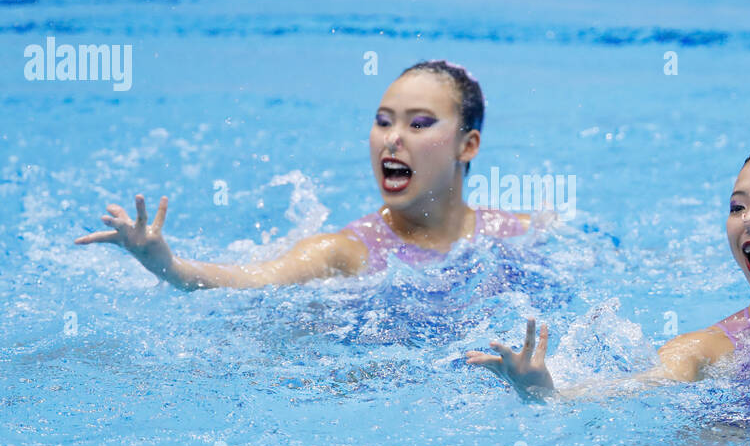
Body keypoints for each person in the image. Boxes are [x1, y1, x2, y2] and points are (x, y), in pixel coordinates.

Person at [467, 144, 750, 401]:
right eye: (737, 207)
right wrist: (546, 391)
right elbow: (633, 388)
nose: (749, 218)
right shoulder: (709, 349)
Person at [75, 60, 530, 288]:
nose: (392, 138)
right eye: (383, 120)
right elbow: (253, 279)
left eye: (418, 123)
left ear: (467, 145)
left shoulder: (518, 232)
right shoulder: (344, 253)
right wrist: (168, 266)